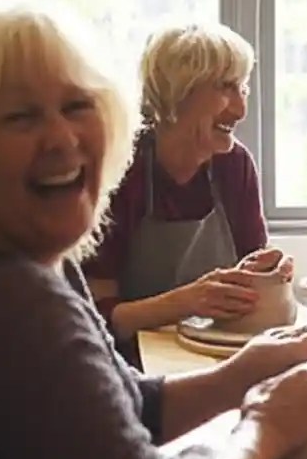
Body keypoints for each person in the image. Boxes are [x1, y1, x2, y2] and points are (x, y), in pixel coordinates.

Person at [0, 0, 307, 459]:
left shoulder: (42, 262)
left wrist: (242, 372)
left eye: (77, 105)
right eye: (20, 116)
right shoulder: (5, 293)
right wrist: (267, 426)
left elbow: (128, 406)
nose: (62, 138)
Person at [83, 21, 285, 370]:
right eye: (226, 88)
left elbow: (255, 264)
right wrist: (186, 302)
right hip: (127, 367)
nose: (241, 109)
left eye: (244, 88)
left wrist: (270, 274)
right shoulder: (123, 171)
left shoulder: (234, 165)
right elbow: (96, 317)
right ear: (180, 90)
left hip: (214, 354)